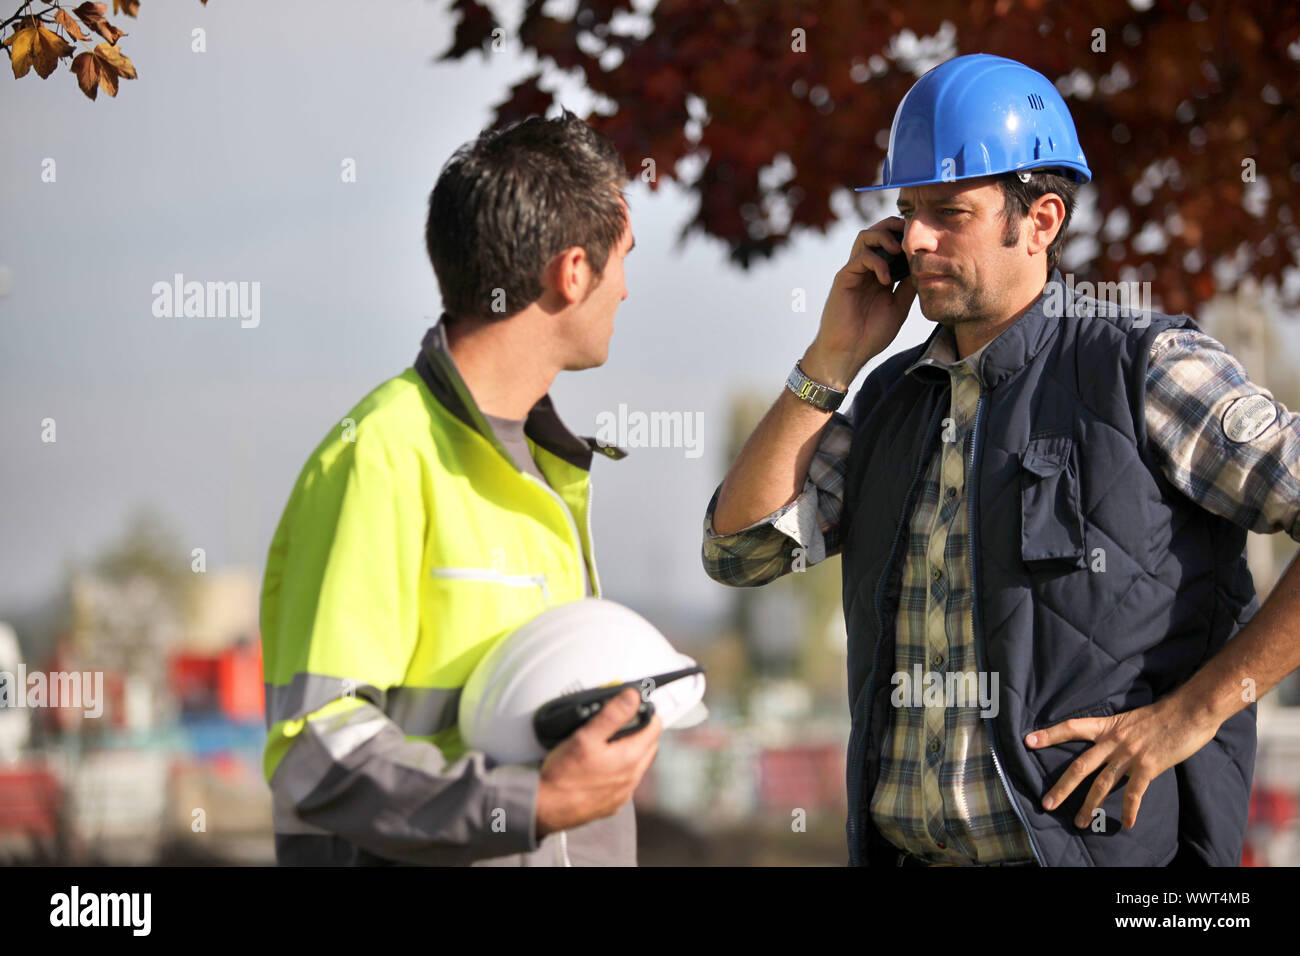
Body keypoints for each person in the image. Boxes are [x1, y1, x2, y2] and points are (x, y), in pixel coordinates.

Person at [702, 53, 1300, 866]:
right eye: (906, 211)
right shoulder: (887, 398)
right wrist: (831, 359)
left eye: (949, 212)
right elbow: (740, 550)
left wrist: (1192, 713)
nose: (915, 239)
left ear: (1043, 219)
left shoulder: (1146, 368)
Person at [260, 108, 660, 866]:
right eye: (625, 258)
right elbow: (316, 745)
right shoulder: (378, 456)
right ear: (573, 272)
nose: (628, 291)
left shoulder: (547, 466)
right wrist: (533, 805)